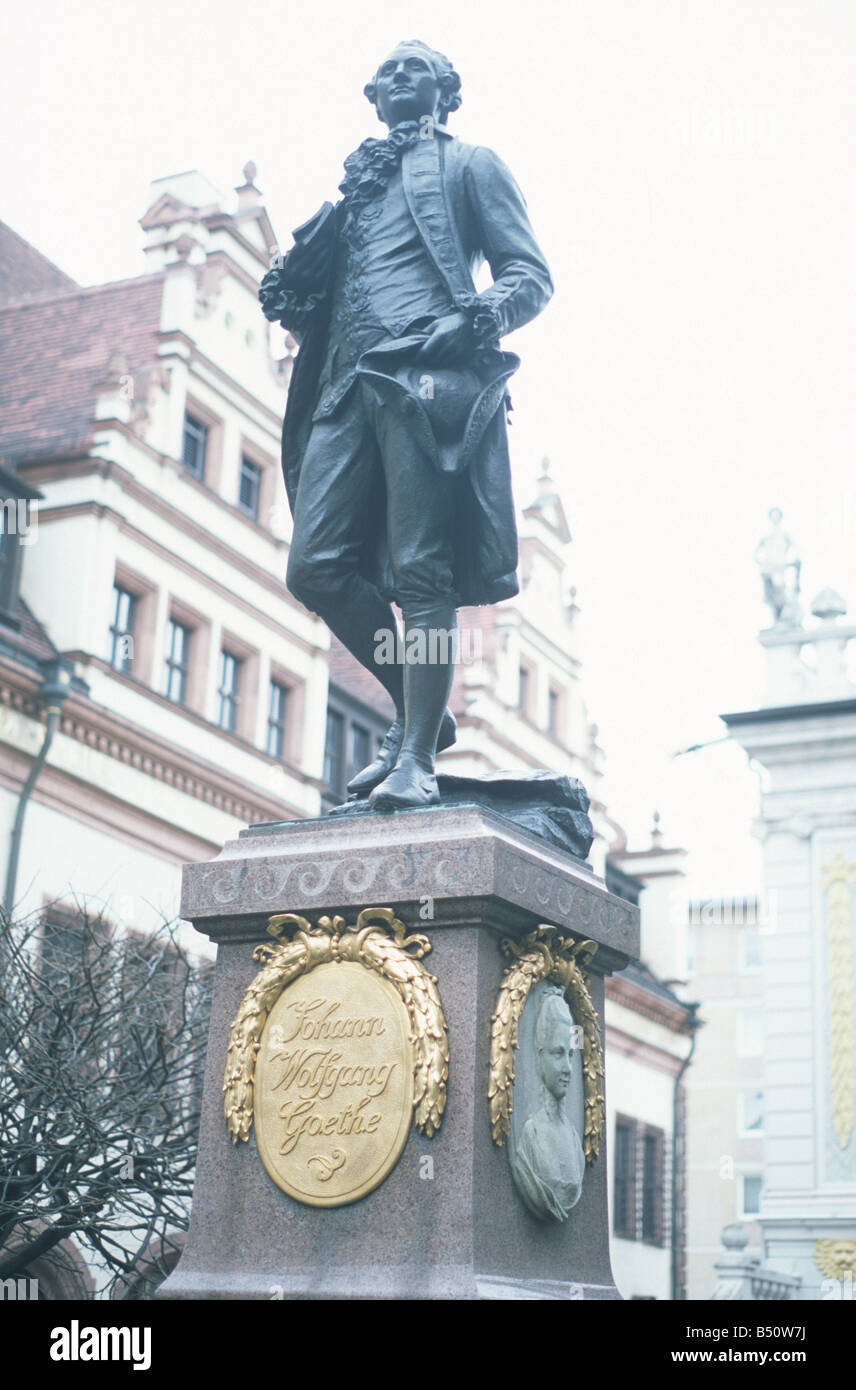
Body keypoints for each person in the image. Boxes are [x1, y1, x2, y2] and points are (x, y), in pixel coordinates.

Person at [260, 40, 553, 809]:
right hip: (342, 386)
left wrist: (479, 318)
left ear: (444, 93)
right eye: (386, 70)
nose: (397, 78)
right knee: (316, 567)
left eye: (414, 68)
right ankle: (423, 706)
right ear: (372, 95)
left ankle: (416, 751)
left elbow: (530, 276)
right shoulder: (355, 189)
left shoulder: (471, 165)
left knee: (425, 572)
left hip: (421, 381)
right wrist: (292, 290)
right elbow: (326, 296)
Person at [511, 989, 585, 1221]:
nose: (567, 1067)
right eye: (557, 1054)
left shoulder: (574, 1139)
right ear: (540, 1056)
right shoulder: (531, 1136)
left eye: (570, 1055)